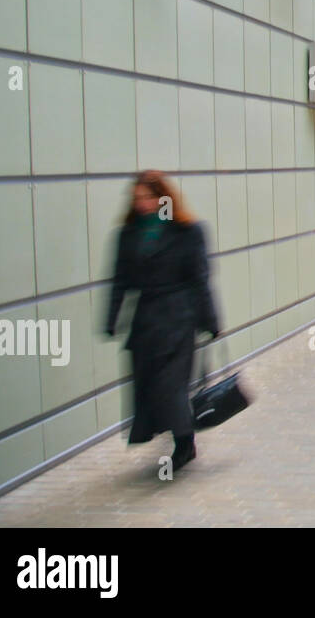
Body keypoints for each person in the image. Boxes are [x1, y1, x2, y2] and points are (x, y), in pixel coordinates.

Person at [105, 170, 220, 471]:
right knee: (150, 386)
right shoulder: (128, 235)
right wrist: (111, 317)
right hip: (145, 323)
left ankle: (185, 444)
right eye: (138, 198)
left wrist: (209, 320)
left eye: (148, 196)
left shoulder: (187, 231)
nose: (143, 203)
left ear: (163, 197)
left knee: (172, 386)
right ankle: (175, 434)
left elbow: (200, 279)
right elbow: (119, 280)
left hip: (178, 320)